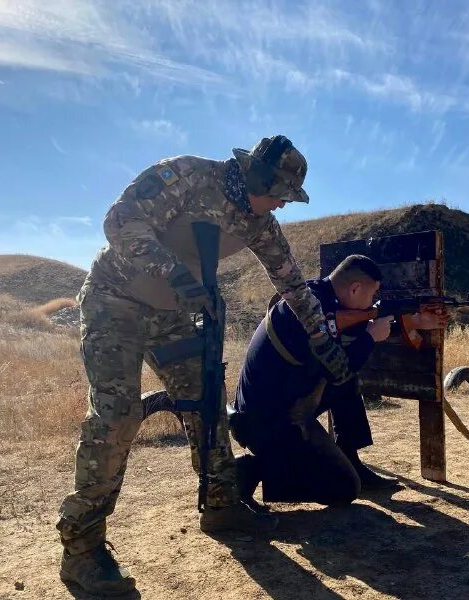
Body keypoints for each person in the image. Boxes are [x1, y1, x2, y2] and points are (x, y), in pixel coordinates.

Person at [57, 135, 353, 596]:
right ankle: (81, 549)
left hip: (172, 315)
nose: (280, 206)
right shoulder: (189, 176)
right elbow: (120, 222)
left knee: (208, 401)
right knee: (116, 416)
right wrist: (172, 271)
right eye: (278, 194)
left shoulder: (259, 223)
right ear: (257, 178)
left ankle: (221, 505)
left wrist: (323, 339)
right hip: (115, 302)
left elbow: (293, 284)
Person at [231, 254, 448, 508]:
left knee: (346, 386)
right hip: (265, 424)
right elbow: (340, 367)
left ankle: (348, 454)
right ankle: (249, 470)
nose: (373, 303)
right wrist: (370, 337)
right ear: (355, 288)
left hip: (286, 408)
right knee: (343, 488)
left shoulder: (317, 297)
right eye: (372, 295)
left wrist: (413, 321)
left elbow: (347, 330)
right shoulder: (306, 311)